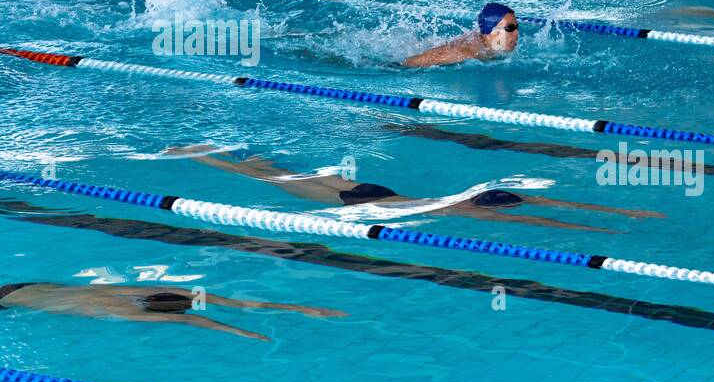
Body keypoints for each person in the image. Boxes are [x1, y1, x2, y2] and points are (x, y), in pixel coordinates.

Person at [165, 146, 663, 233]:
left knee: (276, 174)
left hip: (377, 190)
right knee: (268, 179)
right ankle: (200, 156)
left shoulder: (481, 196)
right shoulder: (477, 212)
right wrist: (602, 222)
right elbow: (543, 216)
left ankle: (216, 151)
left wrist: (613, 216)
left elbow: (545, 206)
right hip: (371, 201)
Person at [0, 282, 343, 341]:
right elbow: (189, 317)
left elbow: (187, 314)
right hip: (12, 299)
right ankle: (304, 310)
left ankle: (302, 309)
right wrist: (239, 332)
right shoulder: (120, 311)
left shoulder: (133, 295)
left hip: (19, 289)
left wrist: (239, 332)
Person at [404, 3, 520, 67]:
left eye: (516, 27)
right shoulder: (465, 53)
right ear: (490, 31)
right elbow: (411, 62)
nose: (516, 34)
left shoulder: (493, 47)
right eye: (510, 28)